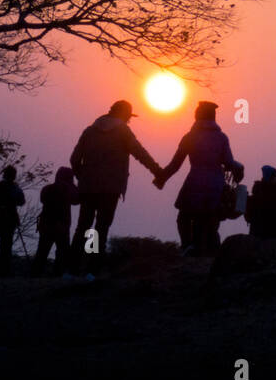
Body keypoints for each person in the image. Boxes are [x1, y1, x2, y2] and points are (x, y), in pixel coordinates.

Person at [69, 100, 164, 275]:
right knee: (101, 228)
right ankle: (92, 269)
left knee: (83, 226)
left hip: (88, 187)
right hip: (110, 188)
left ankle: (73, 268)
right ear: (126, 115)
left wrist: (82, 177)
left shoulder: (89, 131)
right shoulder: (123, 132)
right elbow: (140, 153)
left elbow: (74, 159)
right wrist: (157, 171)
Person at [156, 101, 237, 256]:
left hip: (195, 183)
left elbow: (175, 164)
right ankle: (209, 252)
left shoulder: (190, 137)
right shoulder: (222, 137)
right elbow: (229, 163)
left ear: (197, 116)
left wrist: (162, 178)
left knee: (184, 217)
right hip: (216, 185)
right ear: (214, 117)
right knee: (210, 220)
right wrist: (237, 167)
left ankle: (188, 246)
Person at [34, 167, 78, 276]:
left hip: (46, 223)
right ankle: (57, 274)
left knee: (42, 250)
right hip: (62, 224)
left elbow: (42, 200)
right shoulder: (69, 189)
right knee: (62, 252)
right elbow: (76, 200)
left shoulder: (47, 188)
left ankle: (36, 273)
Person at [0, 165, 25, 276]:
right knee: (6, 246)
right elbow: (21, 202)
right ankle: (4, 271)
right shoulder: (16, 190)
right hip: (8, 221)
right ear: (14, 176)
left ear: (4, 175)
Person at [247, 166, 276, 240]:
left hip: (257, 228)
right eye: (275, 176)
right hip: (269, 230)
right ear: (270, 177)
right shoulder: (274, 193)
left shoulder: (258, 188)